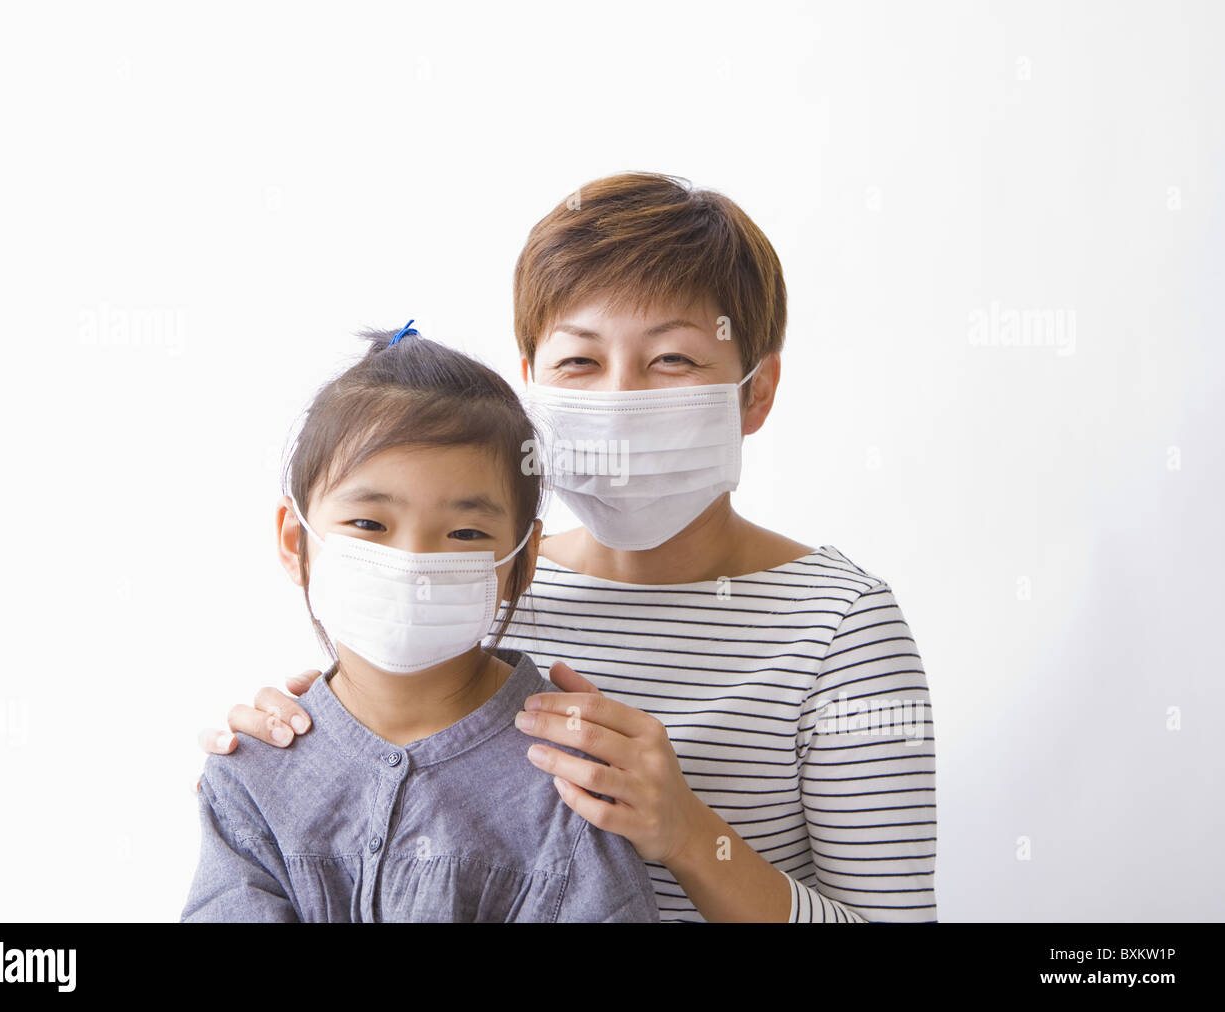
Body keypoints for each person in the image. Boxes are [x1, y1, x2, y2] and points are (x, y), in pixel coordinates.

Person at [201, 174, 938, 923]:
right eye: (580, 362)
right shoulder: (474, 579)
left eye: (673, 360)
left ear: (756, 390)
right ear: (530, 389)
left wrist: (685, 832)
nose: (619, 400)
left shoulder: (841, 626)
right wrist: (291, 748)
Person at [181, 325, 659, 922]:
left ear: (521, 562)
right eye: (368, 524)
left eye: (465, 534)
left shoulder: (571, 783)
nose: (414, 562)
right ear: (292, 537)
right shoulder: (252, 772)